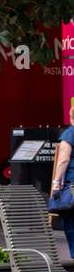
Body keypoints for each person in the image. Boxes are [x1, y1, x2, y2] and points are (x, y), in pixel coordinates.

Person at [50, 101, 74, 257]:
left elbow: (63, 160)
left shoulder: (70, 134)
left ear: (71, 118)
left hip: (72, 187)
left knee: (71, 224)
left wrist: (55, 184)